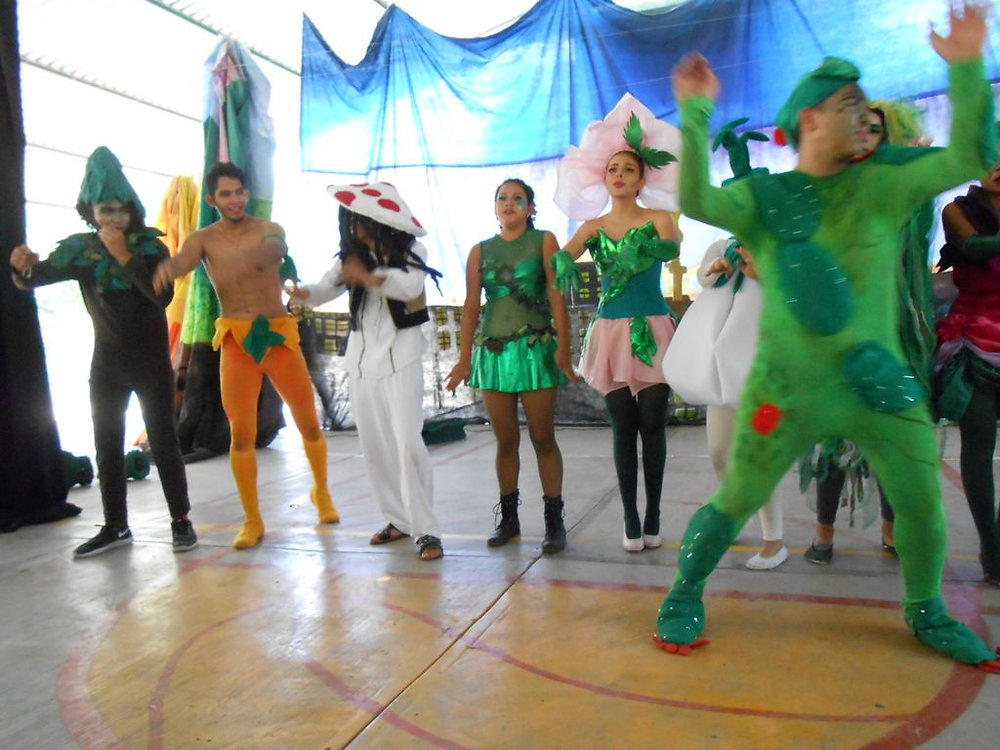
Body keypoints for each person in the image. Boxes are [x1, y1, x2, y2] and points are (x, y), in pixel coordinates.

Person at [657, 3, 1000, 670]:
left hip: (880, 381)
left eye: (870, 108)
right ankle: (683, 592)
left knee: (924, 501)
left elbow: (973, 153)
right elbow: (697, 200)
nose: (868, 117)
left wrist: (965, 65)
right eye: (851, 104)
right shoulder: (765, 196)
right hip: (783, 389)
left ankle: (925, 606)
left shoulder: (888, 182)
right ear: (809, 118)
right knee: (737, 496)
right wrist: (695, 114)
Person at [10, 146, 198, 557]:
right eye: (104, 210)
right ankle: (116, 526)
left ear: (132, 209)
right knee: (106, 443)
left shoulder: (152, 250)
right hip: (107, 366)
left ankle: (181, 520)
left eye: (119, 210)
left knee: (164, 441)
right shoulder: (82, 251)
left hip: (150, 365)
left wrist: (125, 256)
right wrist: (22, 267)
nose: (112, 218)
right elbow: (34, 279)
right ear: (90, 210)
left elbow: (159, 297)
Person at [153, 162, 337, 549]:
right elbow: (182, 263)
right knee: (241, 433)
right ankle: (252, 519)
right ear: (211, 199)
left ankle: (322, 492)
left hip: (276, 335)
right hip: (236, 341)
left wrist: (273, 254)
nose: (235, 199)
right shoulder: (203, 239)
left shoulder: (268, 229)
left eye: (239, 191)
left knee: (308, 422)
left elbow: (276, 249)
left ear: (247, 194)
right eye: (226, 194)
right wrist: (166, 269)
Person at [552, 94, 681, 552]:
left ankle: (654, 511)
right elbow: (562, 257)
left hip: (652, 328)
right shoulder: (592, 227)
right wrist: (563, 264)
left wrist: (657, 248)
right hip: (609, 331)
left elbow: (673, 245)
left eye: (628, 169)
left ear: (644, 176)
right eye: (613, 170)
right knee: (623, 427)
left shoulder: (659, 218)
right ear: (603, 179)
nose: (620, 175)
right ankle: (629, 514)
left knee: (653, 423)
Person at [289, 182, 444, 561]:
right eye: (353, 221)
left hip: (402, 356)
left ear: (383, 222)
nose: (357, 228)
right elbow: (323, 290)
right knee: (374, 446)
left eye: (364, 221)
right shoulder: (349, 260)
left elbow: (408, 288)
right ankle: (397, 520)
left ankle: (426, 531)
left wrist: (372, 277)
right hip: (361, 360)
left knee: (408, 442)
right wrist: (299, 294)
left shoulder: (412, 252)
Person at [446, 179, 577, 553]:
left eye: (517, 199)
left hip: (535, 350)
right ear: (494, 207)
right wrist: (465, 358)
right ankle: (510, 519)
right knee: (505, 440)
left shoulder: (545, 241)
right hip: (494, 353)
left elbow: (557, 298)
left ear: (531, 208)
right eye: (502, 198)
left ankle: (555, 522)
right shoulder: (479, 251)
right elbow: (472, 306)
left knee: (542, 437)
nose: (509, 204)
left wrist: (564, 351)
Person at [936, 157, 1000, 587]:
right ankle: (991, 551)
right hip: (975, 339)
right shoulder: (956, 209)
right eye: (990, 157)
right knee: (978, 444)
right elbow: (975, 248)